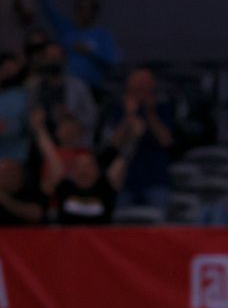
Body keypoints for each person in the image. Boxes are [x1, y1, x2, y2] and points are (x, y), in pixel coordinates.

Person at [33, 106, 132, 225]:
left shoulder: (106, 187)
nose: (84, 170)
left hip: (101, 242)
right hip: (68, 242)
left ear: (97, 170)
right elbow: (50, 154)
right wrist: (39, 128)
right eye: (80, 166)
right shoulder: (64, 188)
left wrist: (133, 133)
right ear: (73, 171)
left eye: (89, 165)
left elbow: (123, 157)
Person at [33, 0, 120, 94]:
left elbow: (113, 60)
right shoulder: (67, 30)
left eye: (87, 8)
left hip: (92, 88)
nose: (83, 12)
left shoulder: (102, 35)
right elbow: (50, 11)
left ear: (95, 12)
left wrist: (90, 52)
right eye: (80, 8)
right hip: (64, 89)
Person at [105, 68, 174, 213]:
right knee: (120, 224)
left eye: (145, 82)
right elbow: (114, 144)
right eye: (138, 82)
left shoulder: (162, 106)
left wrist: (150, 113)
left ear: (153, 85)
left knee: (159, 226)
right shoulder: (118, 107)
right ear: (129, 84)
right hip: (124, 178)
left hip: (155, 177)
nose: (141, 86)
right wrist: (129, 115)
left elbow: (166, 141)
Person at [26, 43, 98, 139]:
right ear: (43, 60)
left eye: (57, 57)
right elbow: (26, 119)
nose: (54, 61)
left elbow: (93, 117)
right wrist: (35, 121)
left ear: (64, 59)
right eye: (50, 57)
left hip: (70, 143)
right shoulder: (34, 87)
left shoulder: (78, 86)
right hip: (42, 143)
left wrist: (72, 116)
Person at [0, 53, 30, 160]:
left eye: (13, 69)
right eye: (5, 69)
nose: (9, 73)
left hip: (17, 156)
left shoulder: (23, 94)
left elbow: (26, 124)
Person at [0, 158, 46, 224]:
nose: (10, 178)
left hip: (28, 232)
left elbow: (37, 214)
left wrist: (5, 199)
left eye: (13, 173)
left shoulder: (30, 189)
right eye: (4, 174)